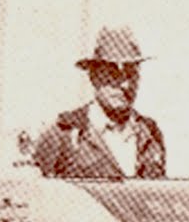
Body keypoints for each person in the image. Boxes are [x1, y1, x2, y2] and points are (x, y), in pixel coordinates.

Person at [33, 25, 165, 179]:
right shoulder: (65, 133)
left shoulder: (149, 132)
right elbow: (36, 194)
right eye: (113, 74)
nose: (125, 85)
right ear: (94, 76)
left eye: (131, 74)